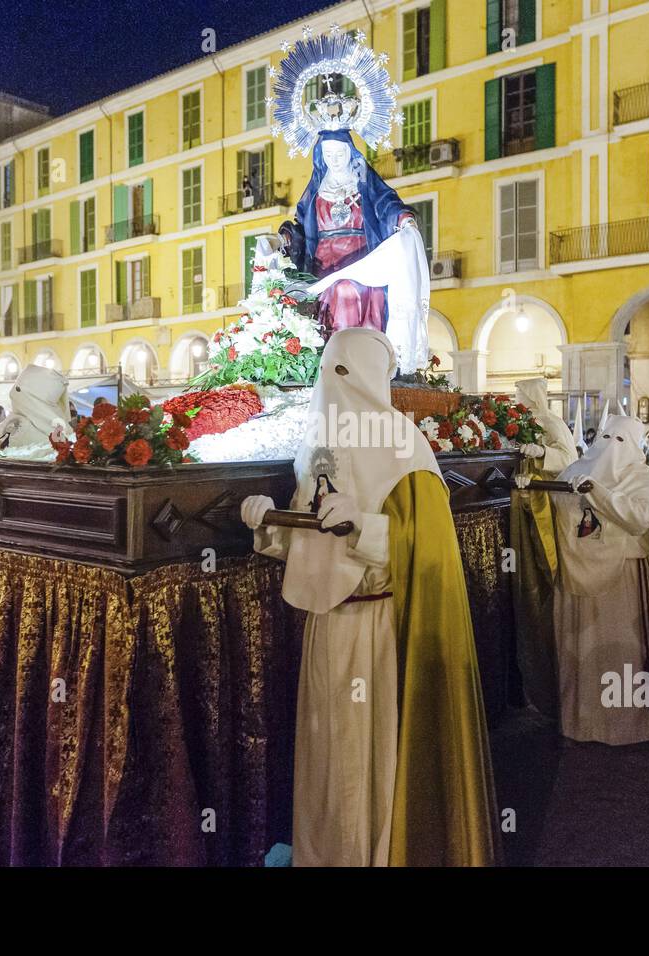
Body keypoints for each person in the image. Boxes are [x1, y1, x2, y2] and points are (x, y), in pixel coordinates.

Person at [240, 328, 498, 866]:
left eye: (342, 371)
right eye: (326, 371)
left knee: (368, 756)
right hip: (326, 626)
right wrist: (268, 524)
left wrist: (365, 529)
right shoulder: (318, 448)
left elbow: (428, 547)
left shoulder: (405, 446)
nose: (330, 386)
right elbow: (307, 537)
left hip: (376, 630)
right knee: (327, 755)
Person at [523, 411, 649, 745]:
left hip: (624, 579)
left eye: (621, 441)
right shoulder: (576, 469)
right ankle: (582, 722)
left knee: (621, 653)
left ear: (635, 447)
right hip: (578, 579)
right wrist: (530, 492)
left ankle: (629, 726)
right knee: (580, 651)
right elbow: (555, 508)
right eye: (607, 438)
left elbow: (641, 517)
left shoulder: (641, 476)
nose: (612, 447)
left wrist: (600, 494)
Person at [287, 130, 428, 372]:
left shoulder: (362, 180)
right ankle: (326, 361)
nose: (334, 159)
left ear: (349, 152)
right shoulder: (316, 188)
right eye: (328, 153)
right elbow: (301, 226)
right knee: (319, 293)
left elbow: (386, 204)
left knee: (346, 290)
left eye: (339, 152)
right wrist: (286, 237)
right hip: (323, 262)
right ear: (321, 156)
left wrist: (403, 219)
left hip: (362, 259)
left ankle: (351, 361)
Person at [511, 377, 580, 718]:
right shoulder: (522, 423)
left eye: (520, 393)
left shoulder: (550, 422)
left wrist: (542, 452)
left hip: (545, 505)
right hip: (525, 499)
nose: (516, 398)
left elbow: (569, 457)